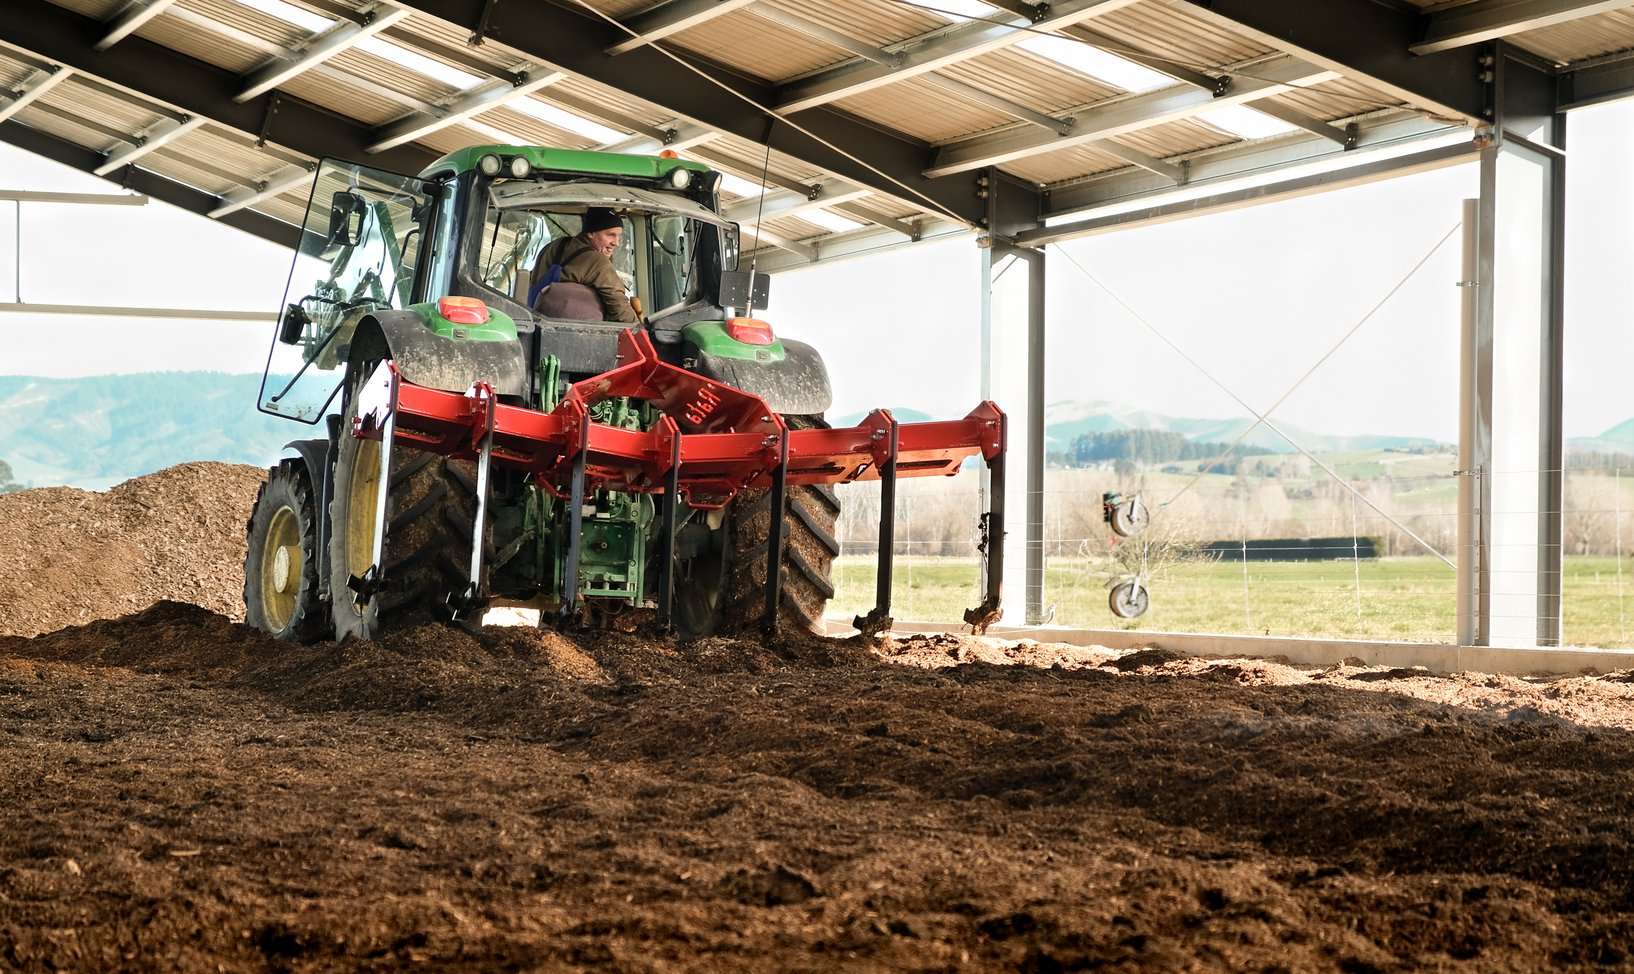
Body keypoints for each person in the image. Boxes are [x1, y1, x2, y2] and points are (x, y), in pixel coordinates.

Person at [528, 207, 639, 323]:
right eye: (610, 235)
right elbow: (620, 310)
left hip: (535, 322)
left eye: (619, 236)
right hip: (576, 333)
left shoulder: (554, 246)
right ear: (590, 232)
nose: (616, 242)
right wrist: (639, 329)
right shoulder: (598, 262)